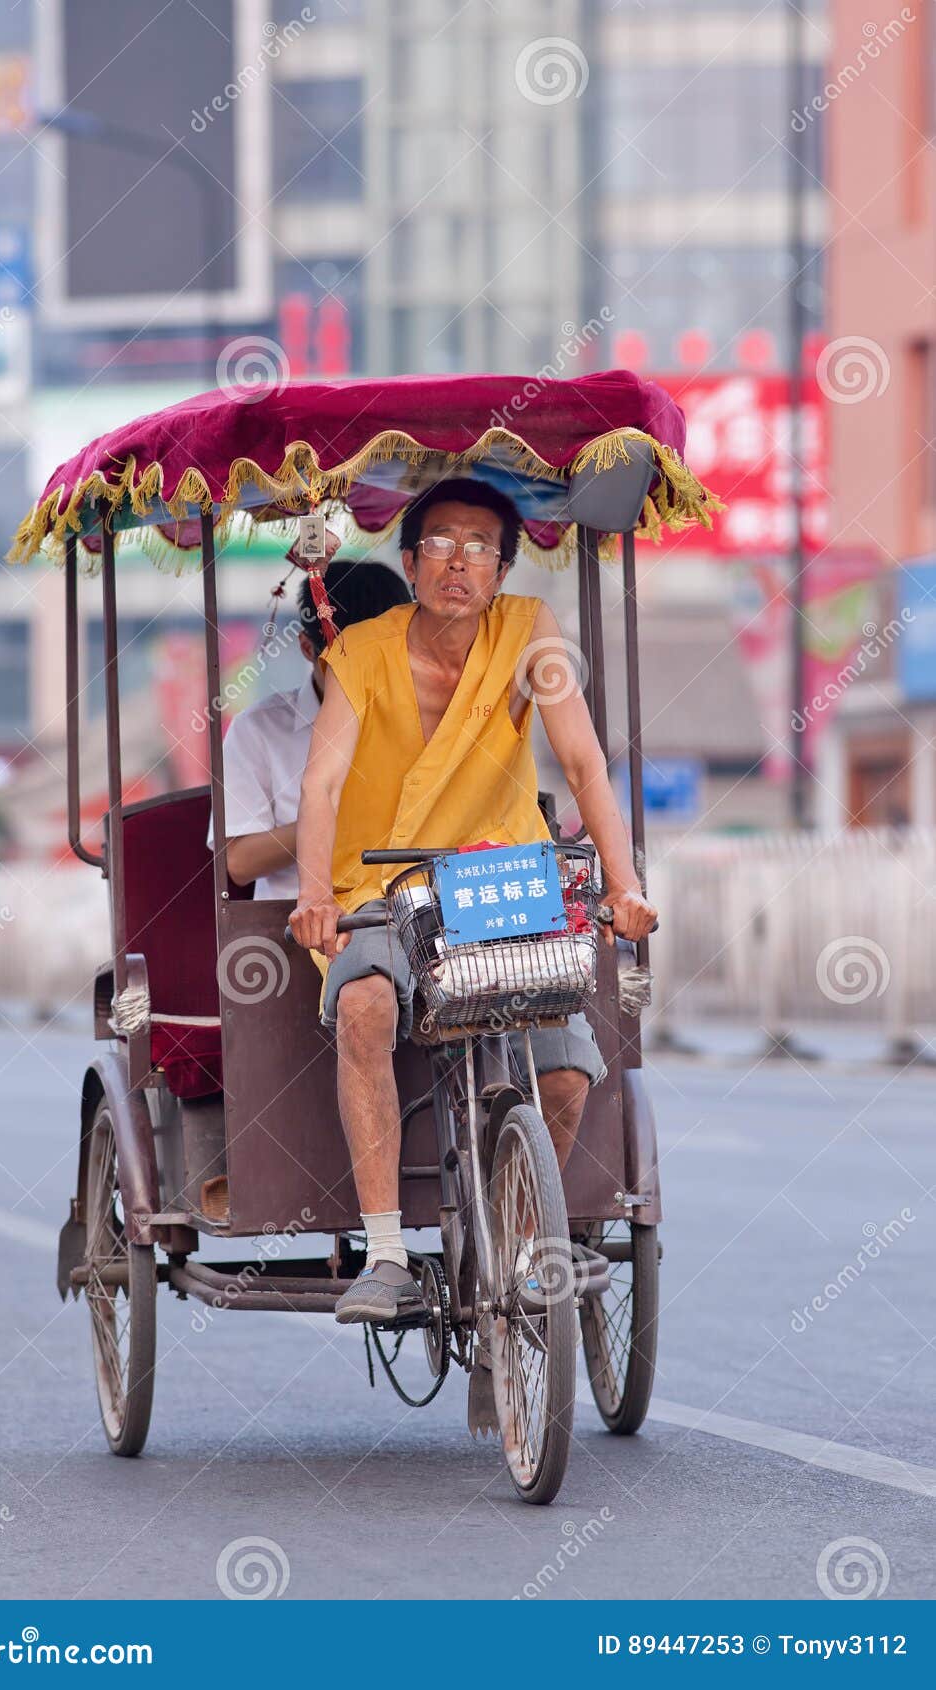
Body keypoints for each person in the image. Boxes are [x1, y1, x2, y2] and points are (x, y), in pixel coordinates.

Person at [288, 478, 658, 1324]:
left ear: (501, 570)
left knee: (565, 1075)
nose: (460, 564)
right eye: (442, 546)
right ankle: (384, 1254)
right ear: (410, 562)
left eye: (480, 549)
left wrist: (625, 885)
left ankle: (527, 1242)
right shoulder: (359, 653)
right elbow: (321, 779)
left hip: (502, 884)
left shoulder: (530, 632)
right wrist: (312, 894)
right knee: (366, 1005)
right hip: (380, 887)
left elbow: (585, 763)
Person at [208, 547, 412, 900]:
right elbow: (239, 862)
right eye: (347, 665)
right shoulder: (259, 730)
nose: (364, 681)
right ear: (306, 648)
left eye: (382, 663)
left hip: (412, 920)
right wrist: (332, 811)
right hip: (295, 929)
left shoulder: (426, 714)